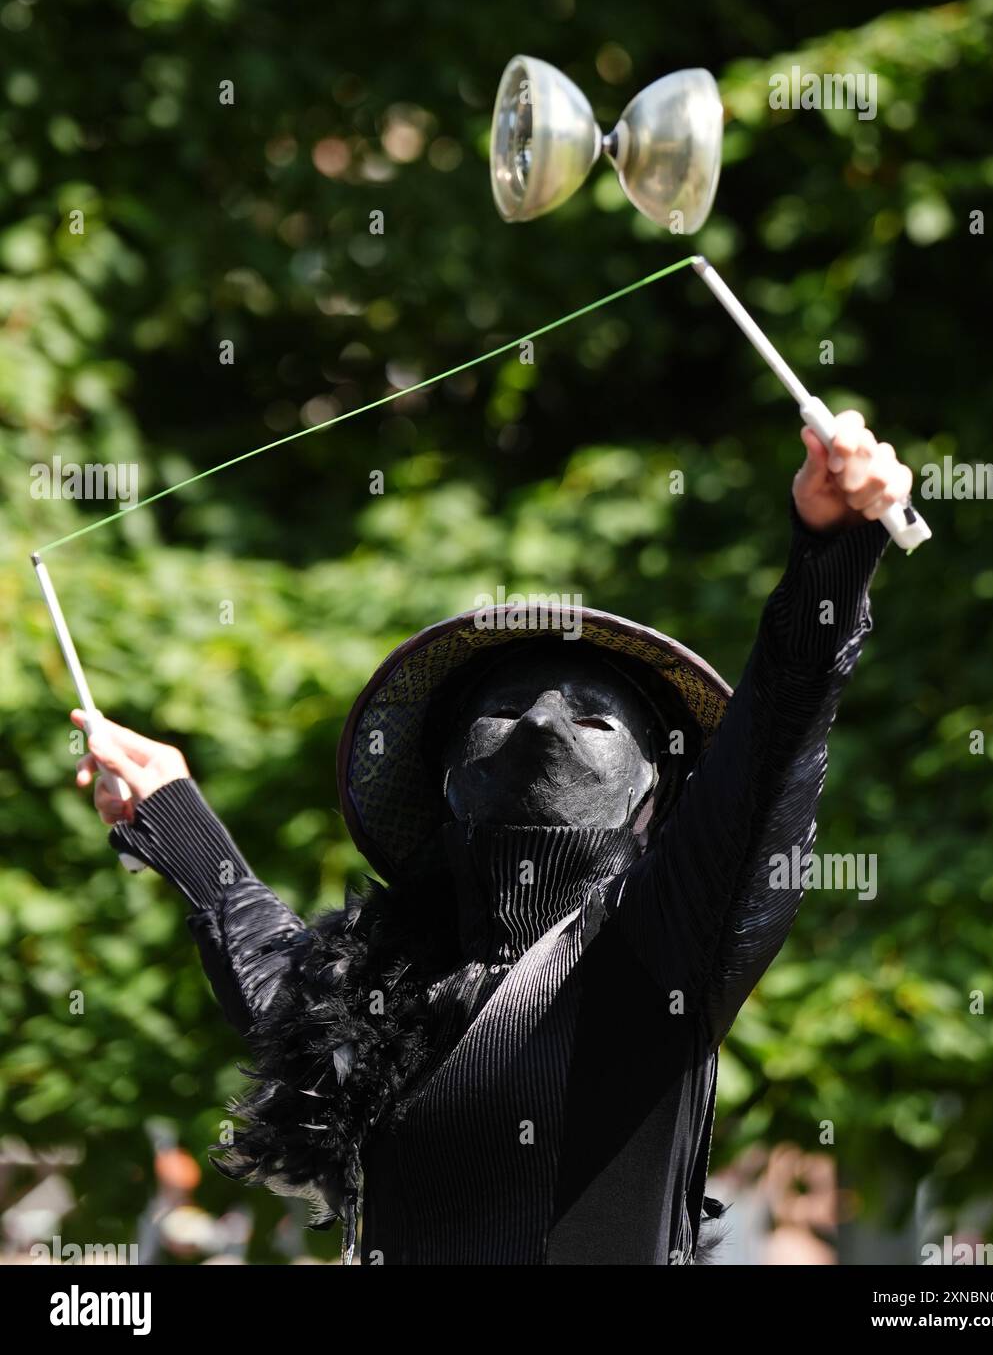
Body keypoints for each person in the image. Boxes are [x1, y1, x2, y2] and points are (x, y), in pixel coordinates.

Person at [74, 416, 912, 1266]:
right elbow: (281, 983)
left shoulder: (662, 945)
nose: (545, 724)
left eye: (592, 716)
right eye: (505, 710)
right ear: (444, 776)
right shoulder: (384, 984)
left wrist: (831, 560)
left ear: (653, 793)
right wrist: (171, 807)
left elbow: (768, 757)